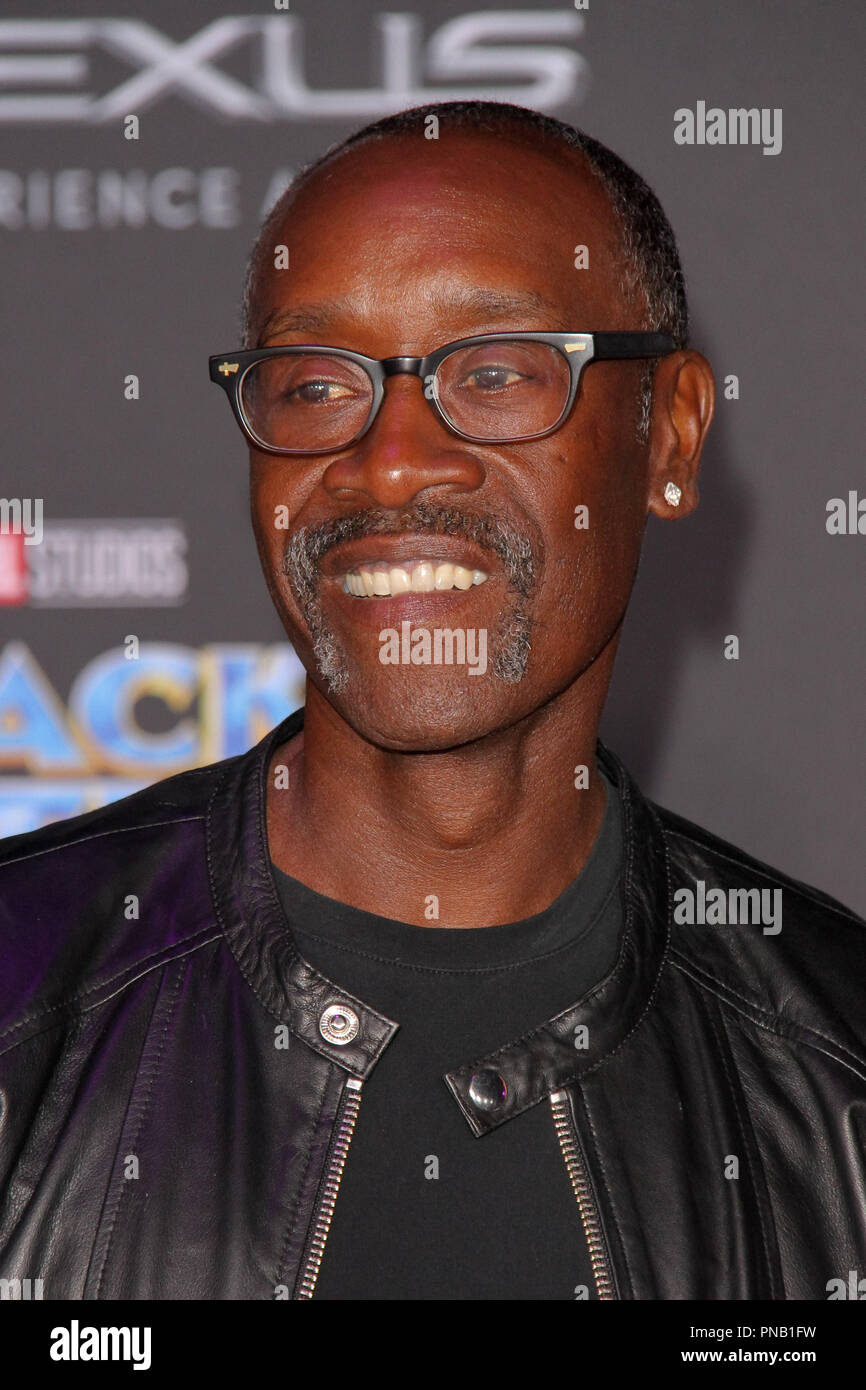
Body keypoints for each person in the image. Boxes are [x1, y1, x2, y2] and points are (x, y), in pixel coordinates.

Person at [0, 100, 863, 1302]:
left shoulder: (835, 1071)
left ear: (665, 435)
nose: (390, 457)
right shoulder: (21, 1001)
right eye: (311, 383)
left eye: (497, 371)